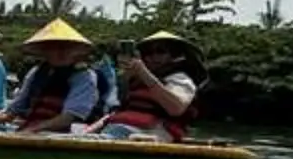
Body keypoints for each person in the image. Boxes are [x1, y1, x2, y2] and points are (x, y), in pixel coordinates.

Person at [0, 19, 100, 135]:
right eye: (53, 47)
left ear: (74, 51)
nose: (60, 52)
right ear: (44, 51)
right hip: (30, 131)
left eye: (65, 47)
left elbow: (68, 118)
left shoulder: (83, 77)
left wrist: (33, 130)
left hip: (62, 136)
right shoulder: (37, 73)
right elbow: (10, 112)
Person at [76, 31, 204, 141]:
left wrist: (144, 73)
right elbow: (119, 111)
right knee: (86, 134)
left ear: (174, 55)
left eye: (160, 51)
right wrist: (86, 132)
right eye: (148, 52)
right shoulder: (136, 80)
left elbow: (176, 108)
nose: (153, 56)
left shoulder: (181, 79)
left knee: (118, 133)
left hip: (154, 133)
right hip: (119, 129)